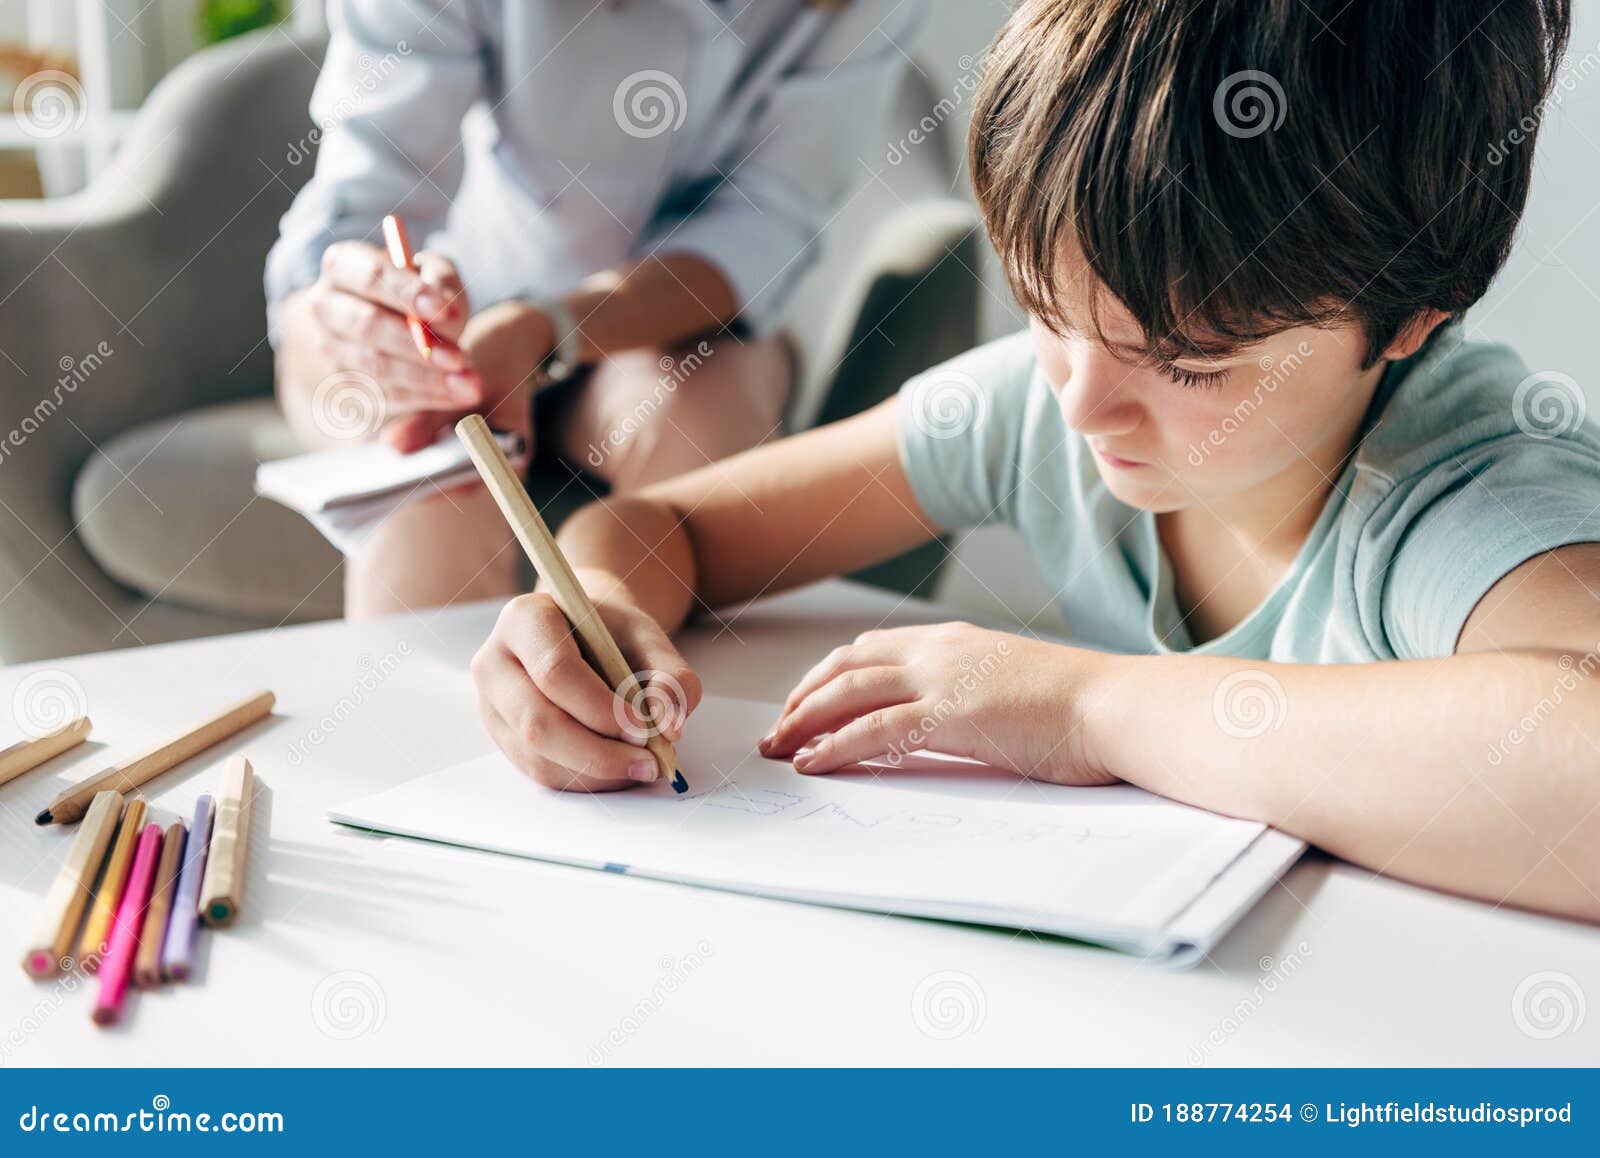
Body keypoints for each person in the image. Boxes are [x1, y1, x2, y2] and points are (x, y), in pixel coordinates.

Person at [470, 0, 1600, 922]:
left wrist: (1085, 707)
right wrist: (598, 606)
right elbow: (665, 526)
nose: (1082, 399)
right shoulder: (1046, 398)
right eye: (1043, 312)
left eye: (1187, 366)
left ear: (1405, 319)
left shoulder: (1467, 493)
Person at [266, 0, 922, 616]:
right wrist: (380, 306)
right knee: (431, 466)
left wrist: (549, 329)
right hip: (468, 317)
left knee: (700, 424)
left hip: (675, 329)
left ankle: (662, 714)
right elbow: (372, 188)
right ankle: (425, 727)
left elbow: (765, 221)